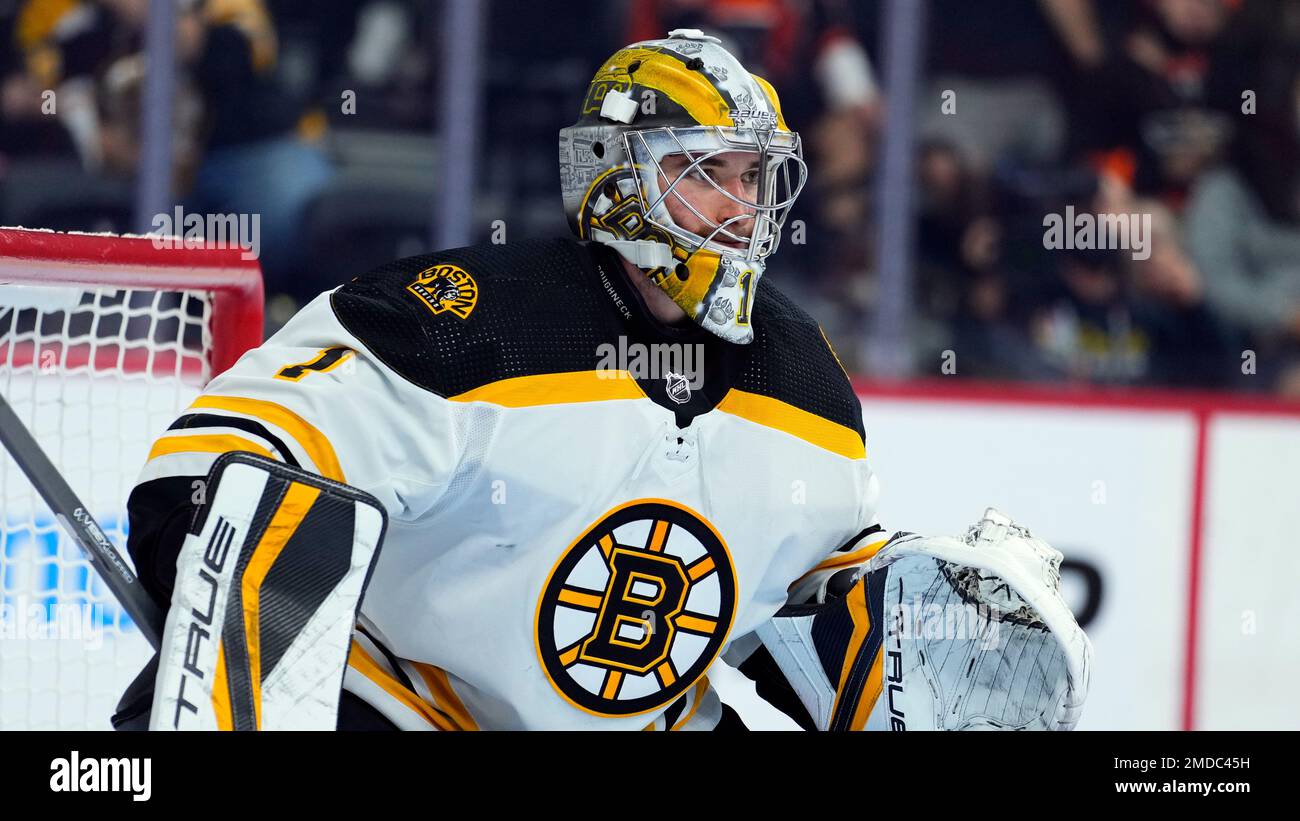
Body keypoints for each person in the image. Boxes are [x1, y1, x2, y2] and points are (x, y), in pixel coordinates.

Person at [115, 30, 1089, 731]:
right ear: (616, 176)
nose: (741, 209)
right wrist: (239, 630)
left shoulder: (804, 383)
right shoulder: (456, 322)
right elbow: (217, 467)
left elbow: (802, 608)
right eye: (708, 172)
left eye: (755, 179)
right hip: (404, 705)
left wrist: (901, 624)